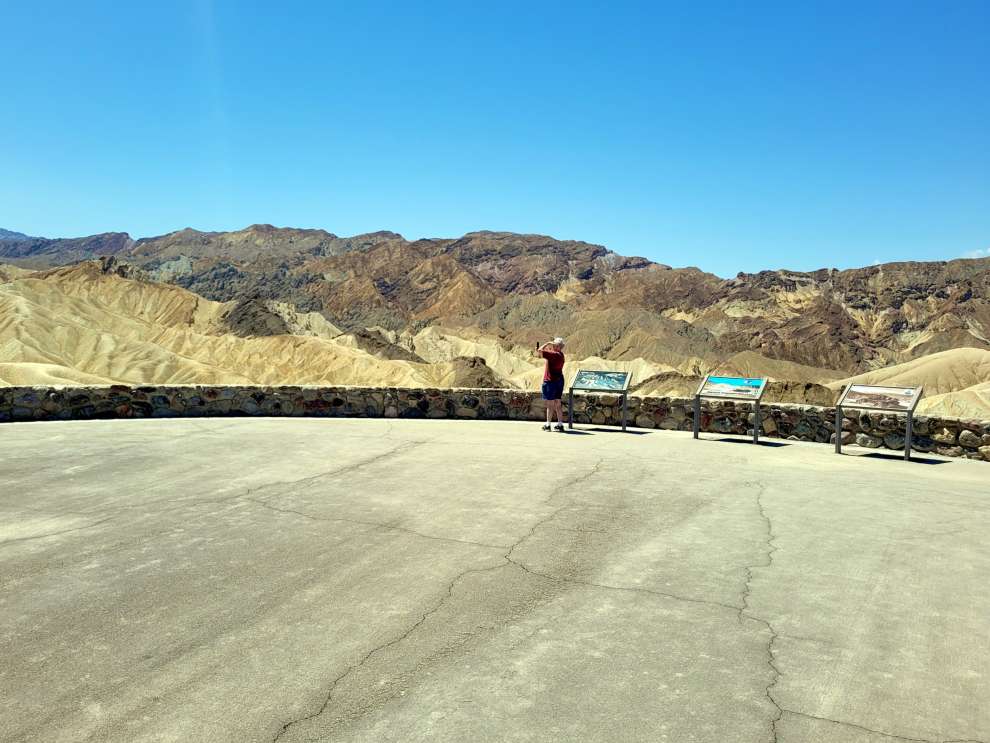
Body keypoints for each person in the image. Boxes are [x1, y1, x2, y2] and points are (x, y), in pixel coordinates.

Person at [536, 337, 566, 431]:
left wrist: (547, 343)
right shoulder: (561, 355)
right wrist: (551, 346)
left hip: (550, 381)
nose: (552, 346)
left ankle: (548, 425)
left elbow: (539, 351)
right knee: (558, 403)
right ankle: (560, 424)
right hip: (559, 380)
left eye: (554, 345)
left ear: (557, 346)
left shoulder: (553, 355)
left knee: (550, 404)